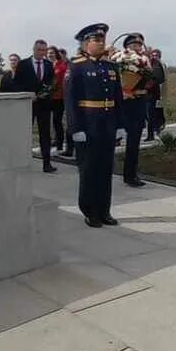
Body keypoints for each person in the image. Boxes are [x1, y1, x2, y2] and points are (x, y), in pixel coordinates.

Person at [65, 23, 124, 228]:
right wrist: (76, 129)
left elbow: (118, 97)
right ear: (85, 43)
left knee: (106, 169)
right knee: (89, 170)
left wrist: (120, 125)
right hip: (88, 125)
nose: (101, 43)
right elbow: (71, 102)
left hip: (108, 124)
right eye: (96, 40)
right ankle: (90, 211)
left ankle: (104, 209)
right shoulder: (77, 66)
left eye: (102, 40)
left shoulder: (111, 67)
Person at [14, 40, 57, 173]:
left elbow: (52, 83)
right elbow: (16, 84)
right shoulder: (23, 65)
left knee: (45, 134)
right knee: (25, 134)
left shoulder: (49, 65)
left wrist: (46, 93)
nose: (42, 53)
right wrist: (28, 94)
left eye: (44, 50)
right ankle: (21, 162)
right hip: (28, 104)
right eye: (39, 50)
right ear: (33, 49)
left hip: (44, 105)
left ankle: (47, 163)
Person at [118, 33, 149, 187]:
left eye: (139, 45)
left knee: (134, 140)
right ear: (127, 47)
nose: (138, 47)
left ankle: (130, 174)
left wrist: (146, 70)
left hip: (139, 102)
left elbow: (154, 77)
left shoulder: (145, 61)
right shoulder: (119, 59)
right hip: (123, 102)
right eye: (134, 45)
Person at [50, 47, 69, 155]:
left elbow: (56, 82)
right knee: (54, 121)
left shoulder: (61, 66)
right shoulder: (52, 65)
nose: (50, 55)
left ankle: (60, 143)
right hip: (51, 97)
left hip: (59, 97)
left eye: (52, 53)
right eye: (49, 53)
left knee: (58, 121)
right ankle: (56, 141)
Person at [145, 48, 167, 141]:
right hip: (145, 94)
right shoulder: (144, 63)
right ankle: (152, 132)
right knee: (148, 114)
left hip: (154, 93)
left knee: (153, 113)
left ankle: (154, 132)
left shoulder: (156, 64)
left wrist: (150, 84)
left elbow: (160, 78)